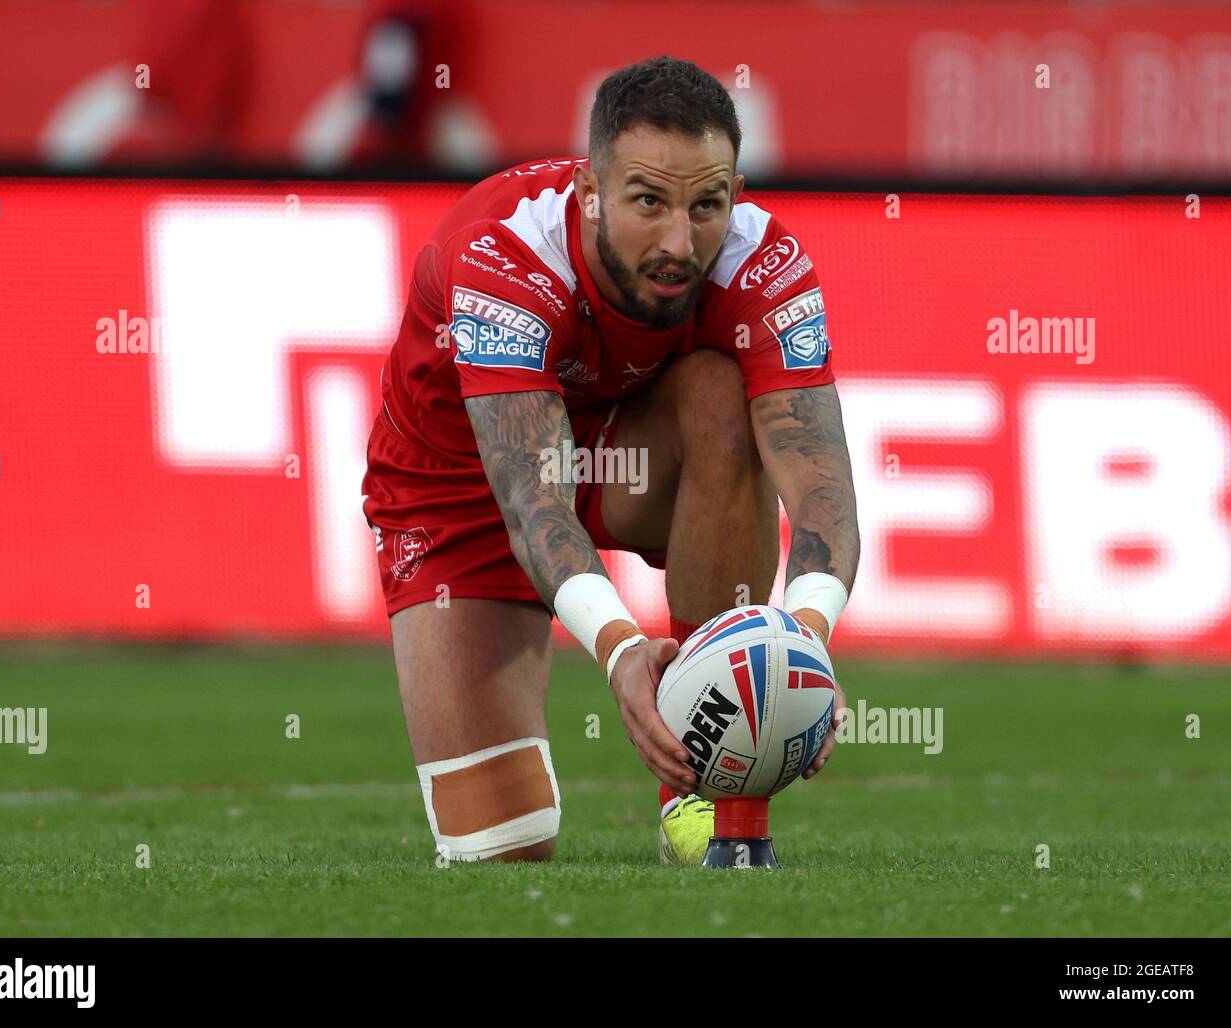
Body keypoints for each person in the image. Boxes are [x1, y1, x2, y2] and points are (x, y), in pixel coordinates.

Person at [362, 55, 859, 864]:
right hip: (456, 493)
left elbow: (824, 490)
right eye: (648, 202)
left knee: (719, 397)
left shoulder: (762, 261)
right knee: (504, 848)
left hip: (618, 452)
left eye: (708, 204)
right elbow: (532, 501)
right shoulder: (501, 255)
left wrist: (804, 638)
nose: (679, 240)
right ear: (590, 193)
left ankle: (698, 794)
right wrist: (625, 653)